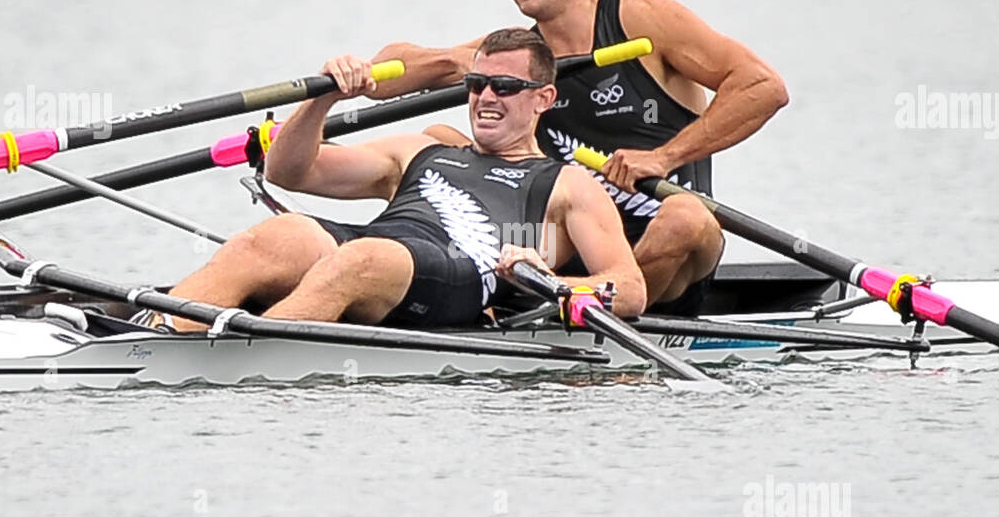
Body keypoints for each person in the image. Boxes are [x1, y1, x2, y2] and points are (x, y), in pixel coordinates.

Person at [368, 0, 789, 314]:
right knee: (436, 141)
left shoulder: (640, 20)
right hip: (569, 242)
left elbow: (763, 86)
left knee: (687, 215)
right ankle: (458, 281)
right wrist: (450, 63)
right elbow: (383, 76)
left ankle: (569, 306)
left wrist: (664, 158)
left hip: (666, 250)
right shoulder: (520, 54)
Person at [156, 28, 645, 331]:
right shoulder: (425, 146)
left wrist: (553, 280)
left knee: (361, 259)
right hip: (376, 251)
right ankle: (157, 334)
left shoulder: (568, 184)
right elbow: (290, 172)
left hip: (461, 276)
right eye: (477, 85)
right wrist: (324, 97)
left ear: (542, 98)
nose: (487, 97)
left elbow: (629, 288)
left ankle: (243, 358)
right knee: (281, 234)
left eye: (507, 87)